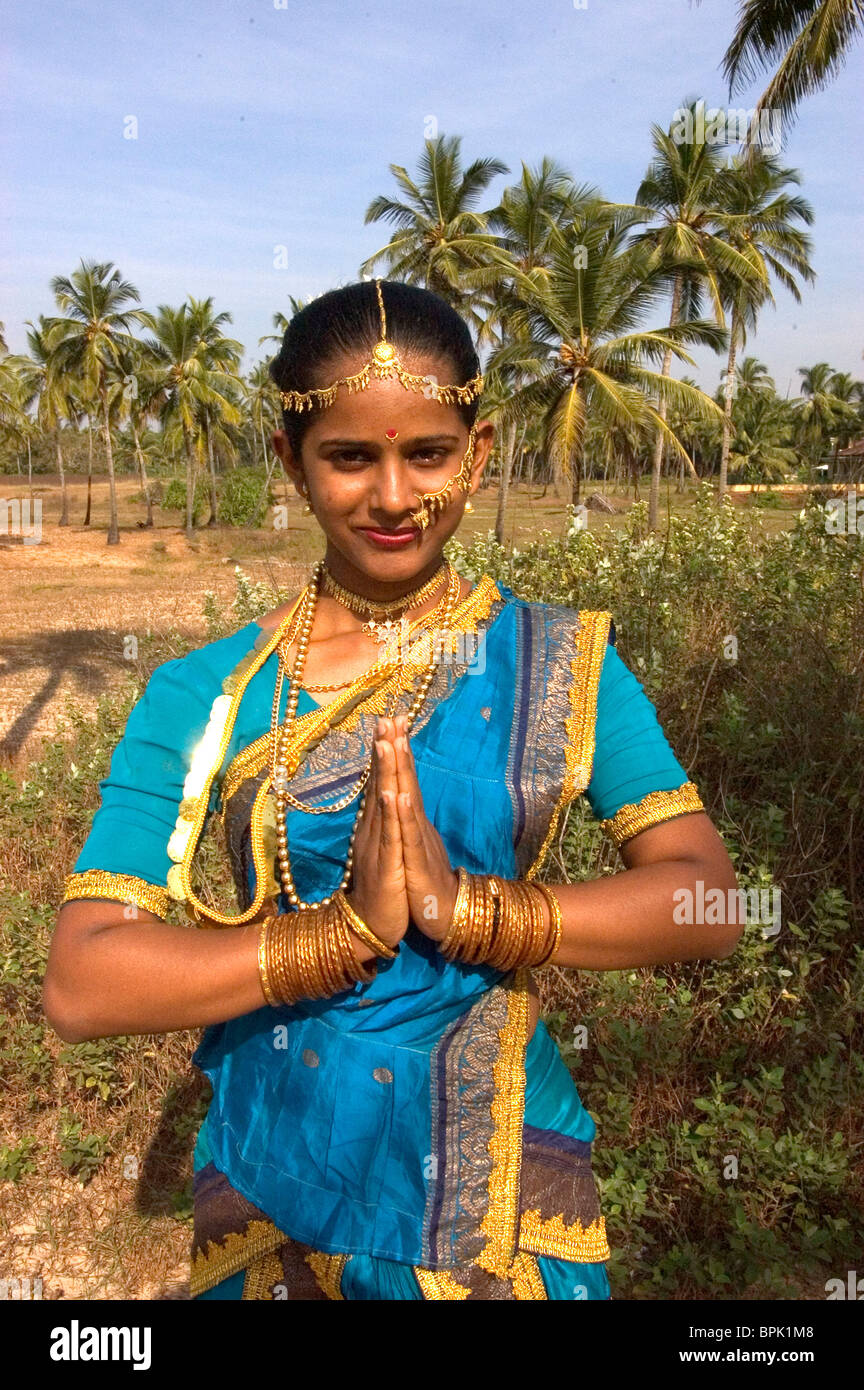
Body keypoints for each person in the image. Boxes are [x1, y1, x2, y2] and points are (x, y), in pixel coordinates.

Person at [43, 279, 740, 1301]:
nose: (394, 496)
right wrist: (339, 938)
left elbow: (709, 899)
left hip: (503, 1194)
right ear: (290, 460)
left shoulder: (563, 660)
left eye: (429, 454)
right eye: (349, 457)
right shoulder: (205, 691)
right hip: (276, 1176)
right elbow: (82, 982)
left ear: (482, 450)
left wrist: (472, 910)